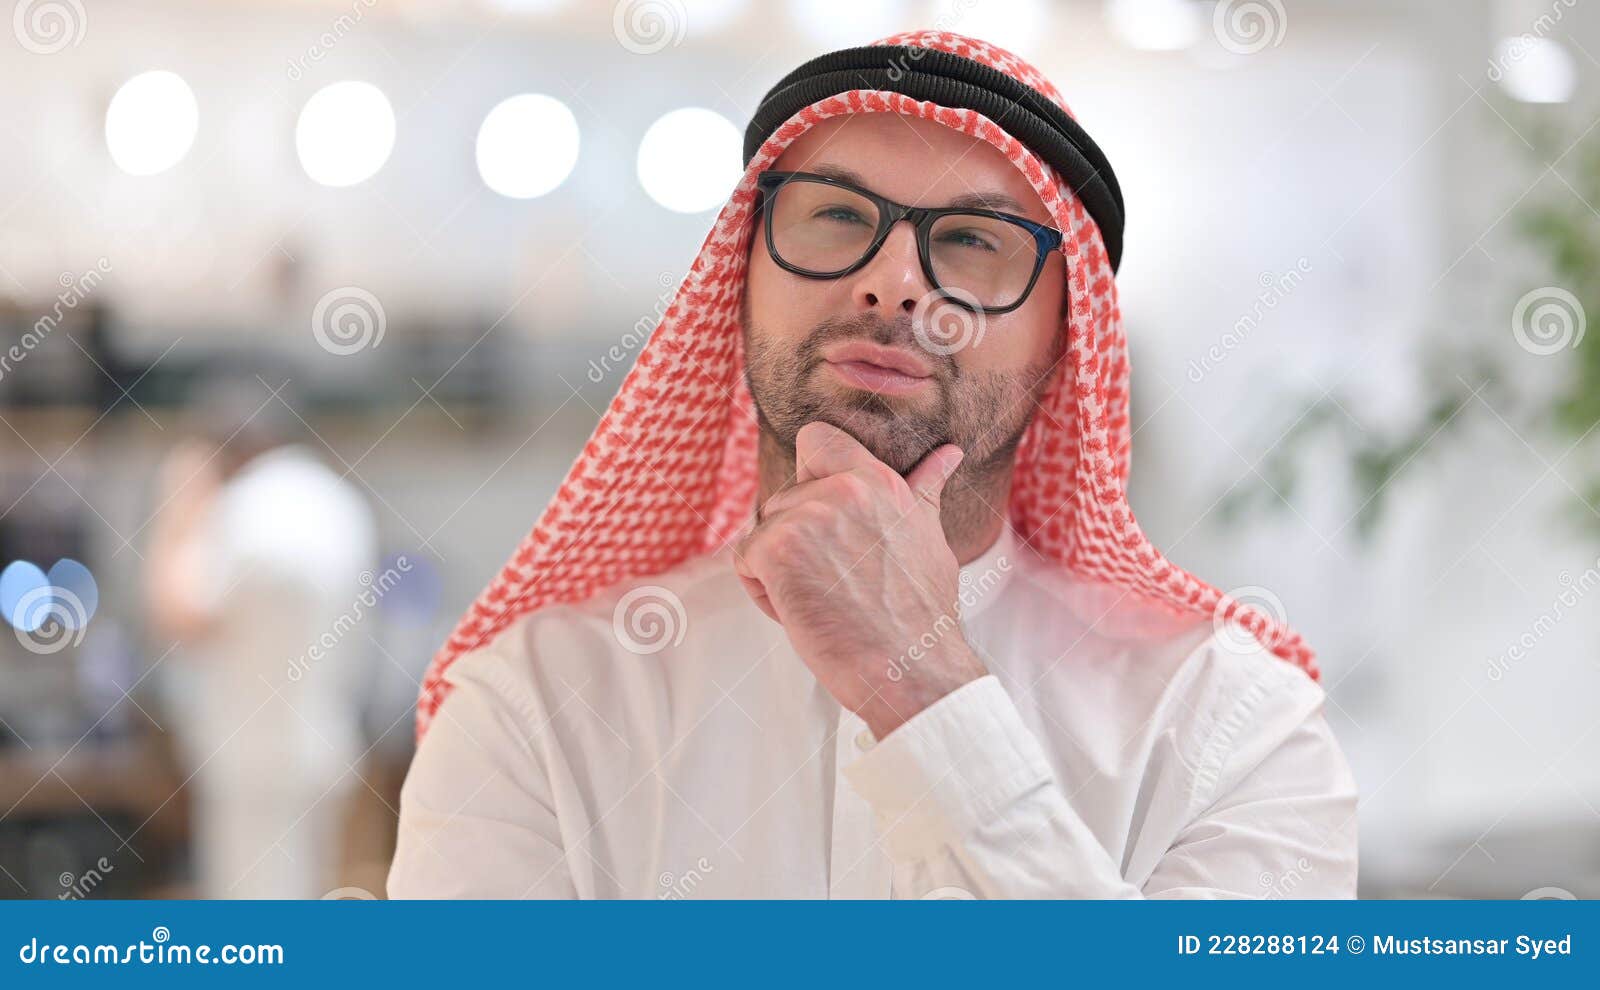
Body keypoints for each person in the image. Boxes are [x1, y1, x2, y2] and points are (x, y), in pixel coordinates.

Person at [388, 31, 1358, 899]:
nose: (892, 283)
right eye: (838, 216)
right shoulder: (537, 708)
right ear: (738, 280)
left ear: (1067, 340)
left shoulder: (1234, 727)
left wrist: (923, 684)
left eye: (972, 241)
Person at [146, 375, 376, 898]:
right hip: (321, 746)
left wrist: (177, 504)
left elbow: (179, 613)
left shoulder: (245, 506)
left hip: (252, 762)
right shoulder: (336, 500)